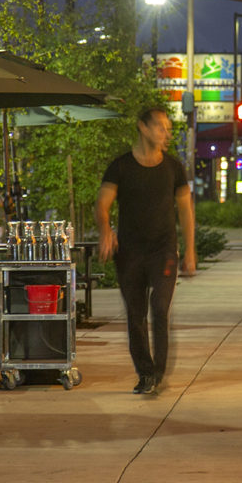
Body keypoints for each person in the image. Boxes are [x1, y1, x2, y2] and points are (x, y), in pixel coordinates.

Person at [96, 105, 195, 394]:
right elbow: (102, 204)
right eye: (160, 127)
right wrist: (106, 230)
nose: (165, 133)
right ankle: (145, 373)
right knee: (135, 314)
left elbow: (186, 210)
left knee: (160, 308)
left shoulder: (174, 167)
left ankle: (158, 371)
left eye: (167, 127)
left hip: (163, 250)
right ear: (143, 127)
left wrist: (190, 249)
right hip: (129, 253)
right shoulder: (121, 166)